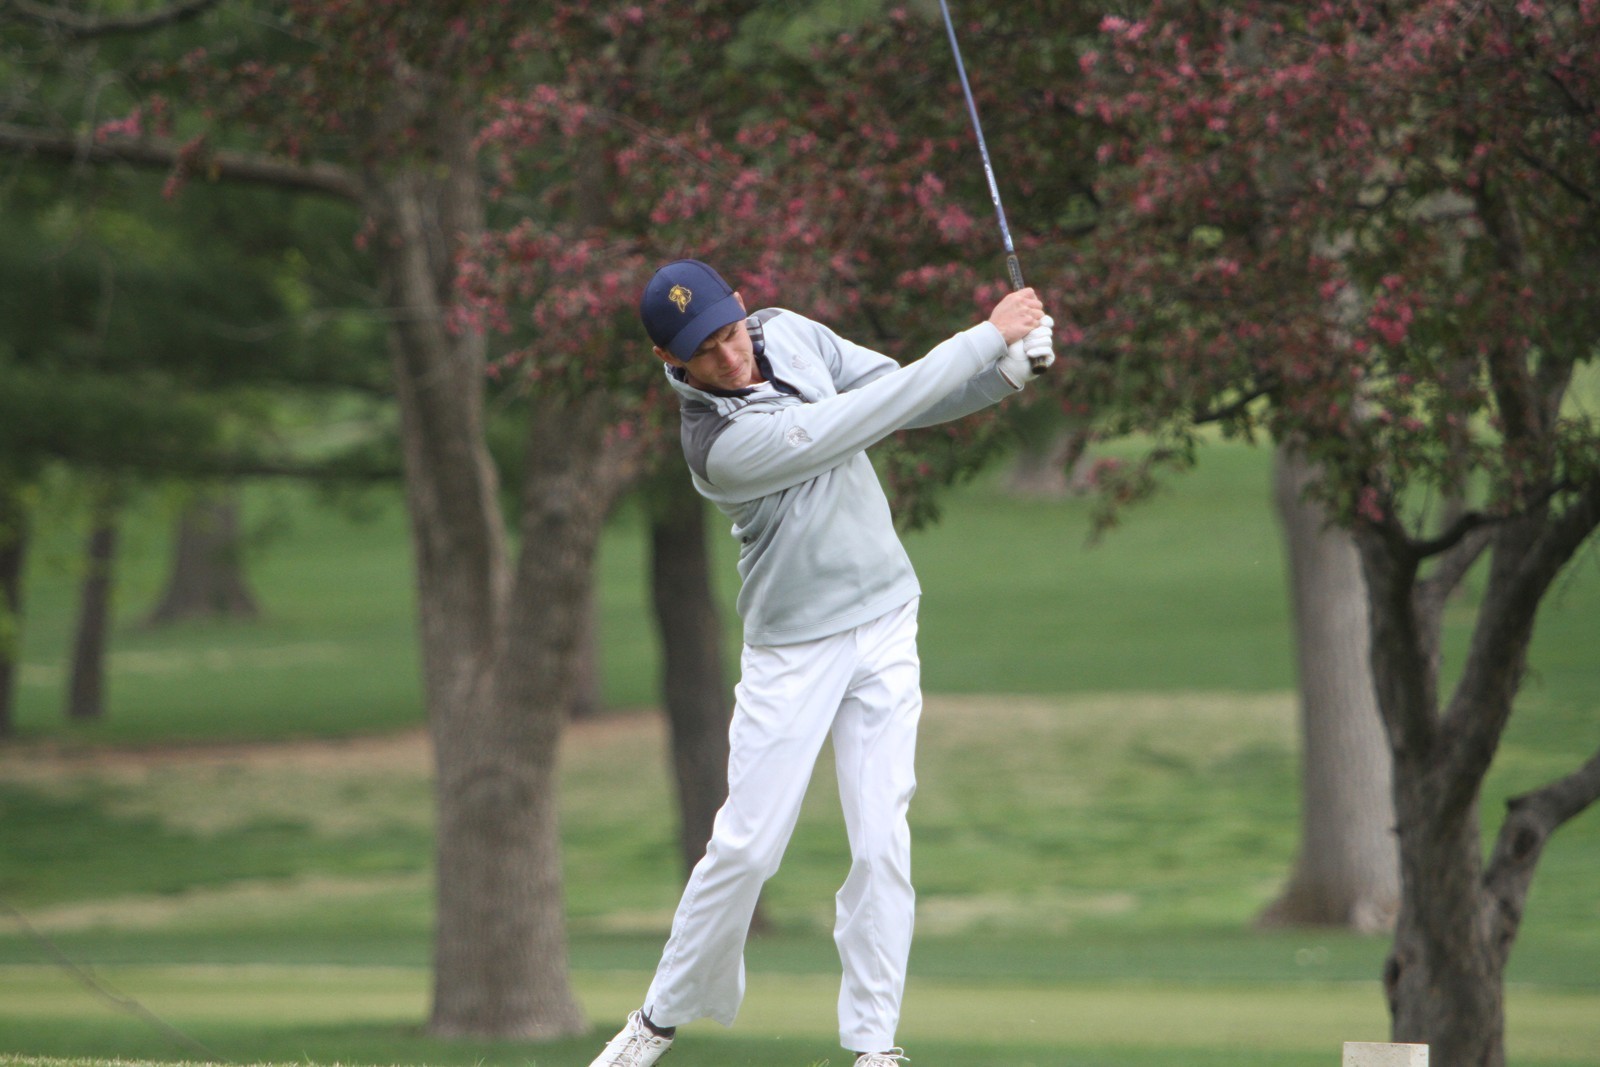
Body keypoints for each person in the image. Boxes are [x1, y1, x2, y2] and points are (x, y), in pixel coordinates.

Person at [588, 259, 1055, 1067]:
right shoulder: (720, 445)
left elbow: (909, 389)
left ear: (742, 309)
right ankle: (656, 1021)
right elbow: (869, 415)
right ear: (673, 364)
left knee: (883, 843)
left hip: (884, 620)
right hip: (793, 649)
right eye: (705, 351)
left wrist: (1007, 370)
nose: (730, 356)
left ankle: (874, 1048)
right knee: (747, 846)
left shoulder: (788, 333)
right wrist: (988, 333)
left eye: (730, 331)